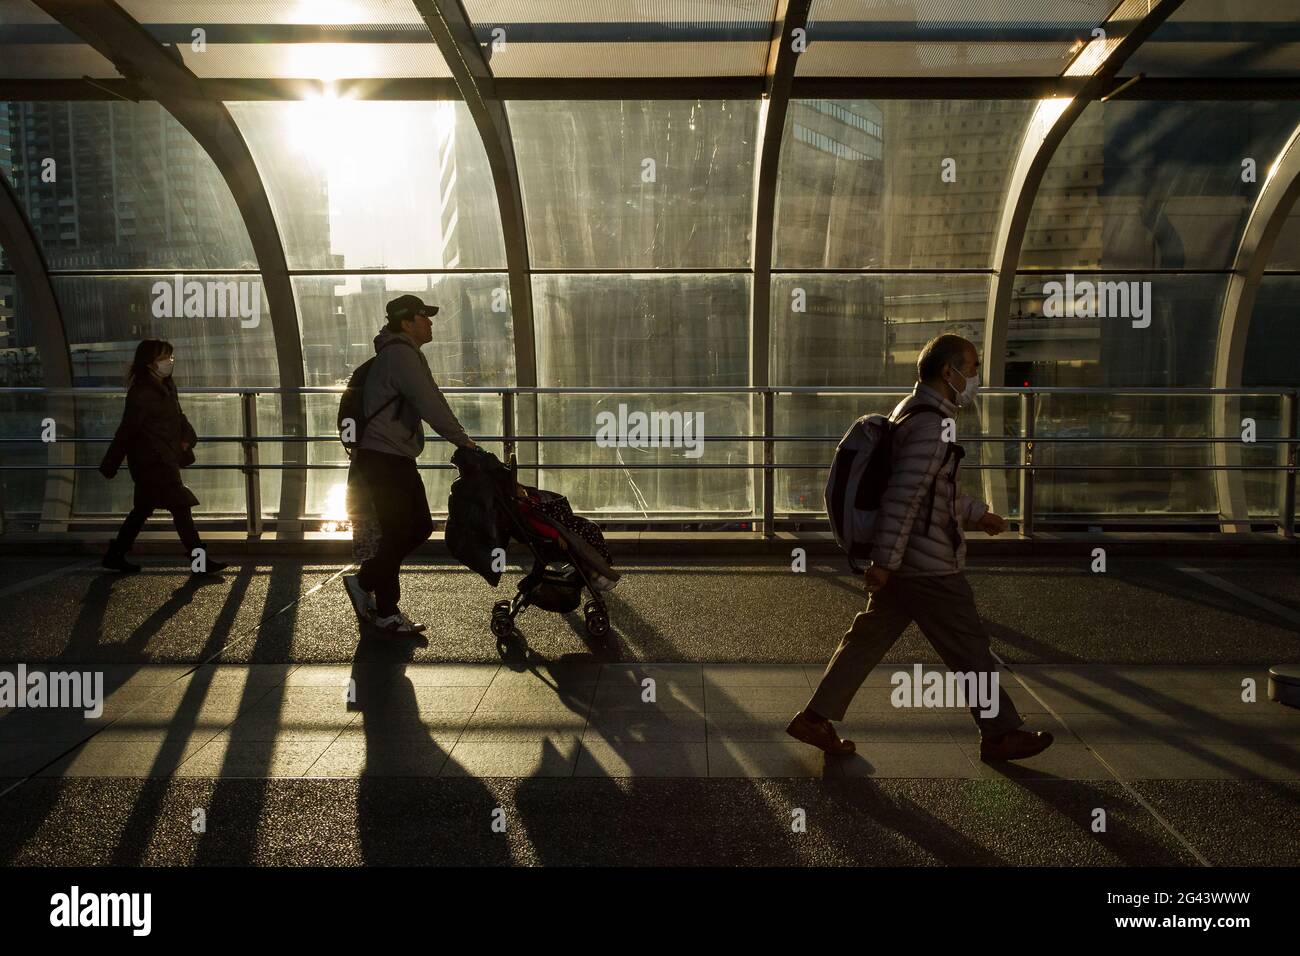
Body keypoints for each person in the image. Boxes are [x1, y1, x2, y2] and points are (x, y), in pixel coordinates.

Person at [787, 334, 1054, 762]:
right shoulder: (932, 424)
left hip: (907, 561)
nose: (975, 377)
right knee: (969, 645)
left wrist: (977, 513)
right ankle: (1001, 733)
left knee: (868, 639)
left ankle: (815, 718)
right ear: (948, 372)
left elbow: (933, 491)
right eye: (971, 367)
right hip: (926, 564)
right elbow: (903, 497)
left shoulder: (913, 412)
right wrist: (885, 563)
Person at [343, 294, 477, 634]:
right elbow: (429, 403)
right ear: (406, 323)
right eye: (423, 317)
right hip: (385, 459)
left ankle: (385, 611)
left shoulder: (399, 353)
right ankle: (365, 584)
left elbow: (430, 400)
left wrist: (460, 438)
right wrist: (464, 442)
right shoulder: (401, 355)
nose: (430, 322)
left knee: (399, 531)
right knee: (411, 529)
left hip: (387, 456)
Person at [99, 339, 228, 575]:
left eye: (170, 357)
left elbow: (178, 418)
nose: (169, 362)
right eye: (164, 358)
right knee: (181, 508)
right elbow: (127, 430)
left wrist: (188, 438)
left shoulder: (167, 387)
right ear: (149, 363)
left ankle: (115, 554)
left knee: (142, 510)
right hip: (152, 463)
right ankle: (200, 561)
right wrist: (111, 463)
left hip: (163, 460)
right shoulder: (142, 393)